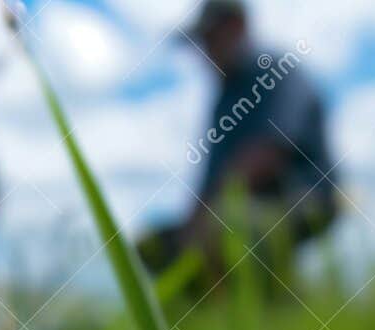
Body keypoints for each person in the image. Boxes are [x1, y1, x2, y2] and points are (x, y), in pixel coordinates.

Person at [141, 0, 336, 289]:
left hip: (300, 200)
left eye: (209, 38)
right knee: (152, 246)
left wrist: (204, 219)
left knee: (224, 229)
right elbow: (210, 183)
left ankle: (277, 305)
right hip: (234, 209)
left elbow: (268, 154)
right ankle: (207, 317)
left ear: (236, 27)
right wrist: (189, 226)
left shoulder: (275, 72)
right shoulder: (222, 101)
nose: (204, 52)